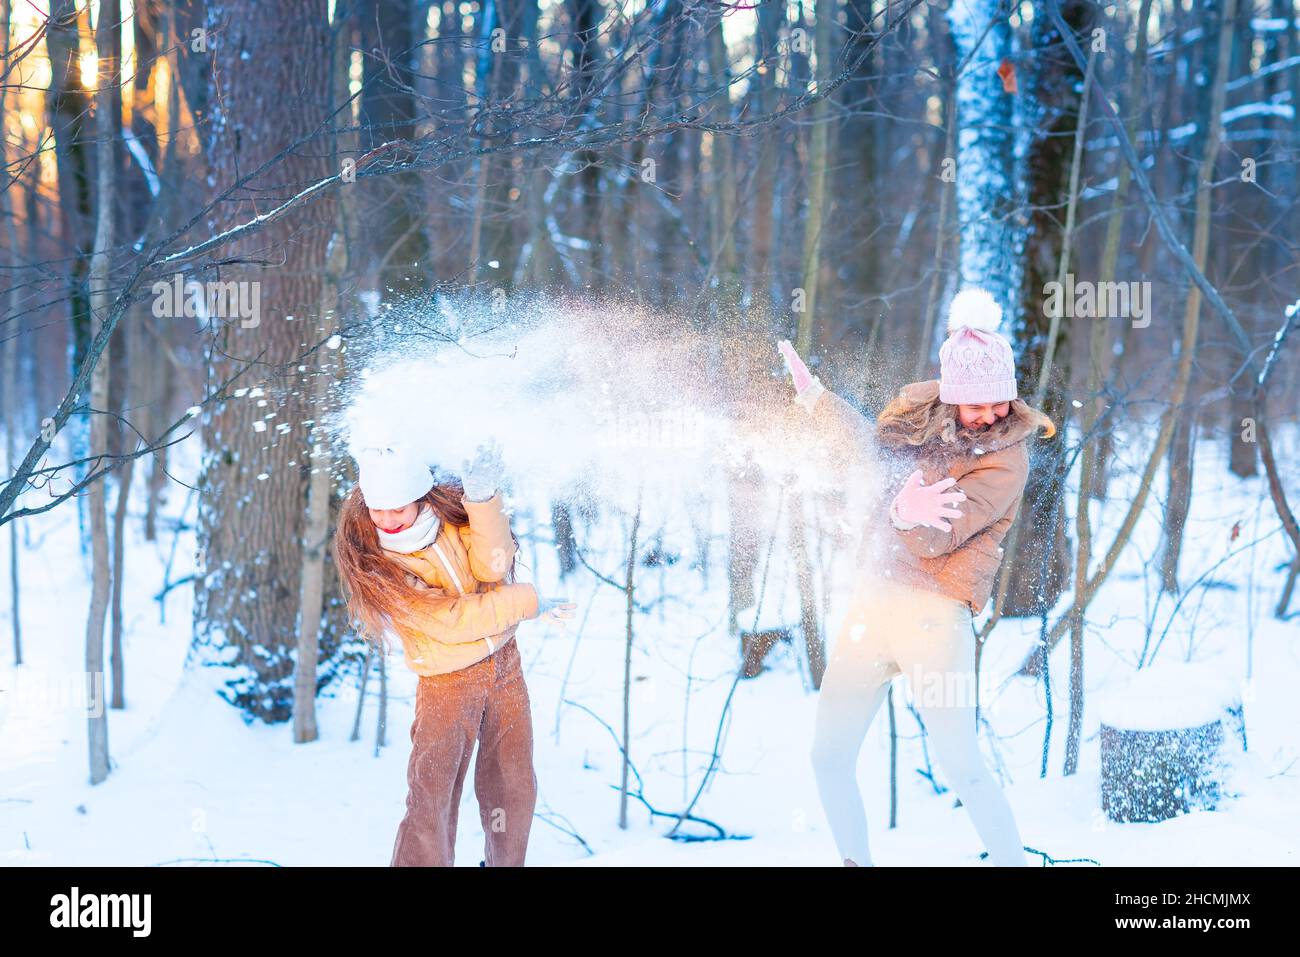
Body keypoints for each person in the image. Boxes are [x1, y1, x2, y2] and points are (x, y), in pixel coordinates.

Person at [779, 287, 1055, 867]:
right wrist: (819, 403)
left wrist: (903, 512)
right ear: (952, 398)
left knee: (961, 765)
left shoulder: (1007, 459)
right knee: (827, 757)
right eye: (974, 405)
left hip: (936, 619)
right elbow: (869, 458)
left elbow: (933, 540)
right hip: (870, 608)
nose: (988, 416)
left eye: (997, 403)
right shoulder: (919, 417)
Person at [332, 440, 575, 866]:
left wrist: (482, 500)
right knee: (433, 794)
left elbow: (492, 568)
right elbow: (450, 620)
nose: (386, 519)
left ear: (420, 496)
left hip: (504, 665)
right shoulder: (378, 563)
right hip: (447, 683)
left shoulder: (448, 519)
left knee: (513, 784)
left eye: (398, 507)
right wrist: (527, 603)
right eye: (378, 508)